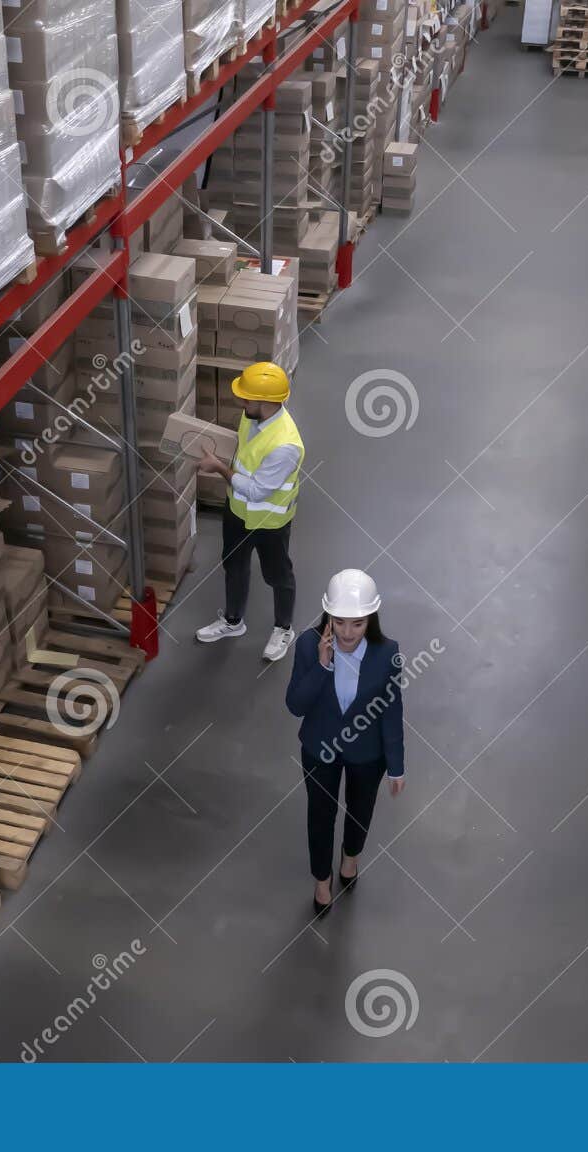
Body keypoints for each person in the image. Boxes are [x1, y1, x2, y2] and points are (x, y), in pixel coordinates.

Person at [284, 569, 406, 917]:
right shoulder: (309, 645)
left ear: (371, 619)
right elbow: (295, 706)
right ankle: (321, 881)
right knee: (320, 816)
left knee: (360, 811)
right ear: (328, 617)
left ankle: (350, 857)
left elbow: (391, 711)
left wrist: (396, 765)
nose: (348, 633)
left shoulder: (388, 653)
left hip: (367, 755)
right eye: (340, 623)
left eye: (358, 623)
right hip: (319, 750)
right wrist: (322, 667)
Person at [195, 361, 305, 662]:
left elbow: (258, 490)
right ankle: (233, 621)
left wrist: (218, 467)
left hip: (269, 522)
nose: (240, 401)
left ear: (266, 402)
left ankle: (283, 628)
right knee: (234, 565)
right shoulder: (251, 417)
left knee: (277, 575)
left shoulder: (285, 445)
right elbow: (242, 454)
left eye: (247, 398)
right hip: (237, 512)